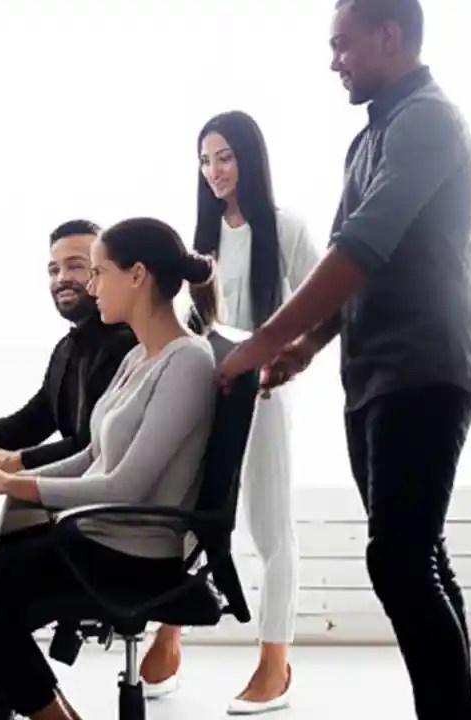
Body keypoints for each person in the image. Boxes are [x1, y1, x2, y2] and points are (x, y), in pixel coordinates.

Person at [218, 2, 471, 717]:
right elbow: (355, 265)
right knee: (420, 555)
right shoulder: (371, 138)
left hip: (424, 371)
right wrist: (305, 346)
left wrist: (262, 341)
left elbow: (358, 247)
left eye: (342, 45)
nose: (333, 60)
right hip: (374, 378)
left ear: (389, 37)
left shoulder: (427, 120)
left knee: (398, 559)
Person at [0, 217, 219, 720]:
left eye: (98, 272)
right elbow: (89, 457)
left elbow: (125, 482)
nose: (90, 286)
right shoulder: (142, 358)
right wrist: (1, 476)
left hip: (128, 552)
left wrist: (5, 480)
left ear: (137, 276)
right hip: (95, 536)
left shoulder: (187, 361)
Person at [139, 111, 320, 714]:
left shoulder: (286, 227)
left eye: (224, 156)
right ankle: (170, 634)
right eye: (205, 158)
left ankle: (275, 663)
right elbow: (194, 324)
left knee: (271, 527)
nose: (214, 170)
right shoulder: (202, 237)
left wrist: (284, 355)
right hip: (210, 386)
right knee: (194, 511)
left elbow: (325, 305)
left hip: (266, 393)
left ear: (249, 158)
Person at [0, 219, 138, 471]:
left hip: (89, 501)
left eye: (76, 266)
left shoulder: (124, 344)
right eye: (54, 270)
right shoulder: (68, 347)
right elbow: (31, 423)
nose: (62, 278)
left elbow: (88, 447)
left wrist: (3, 466)